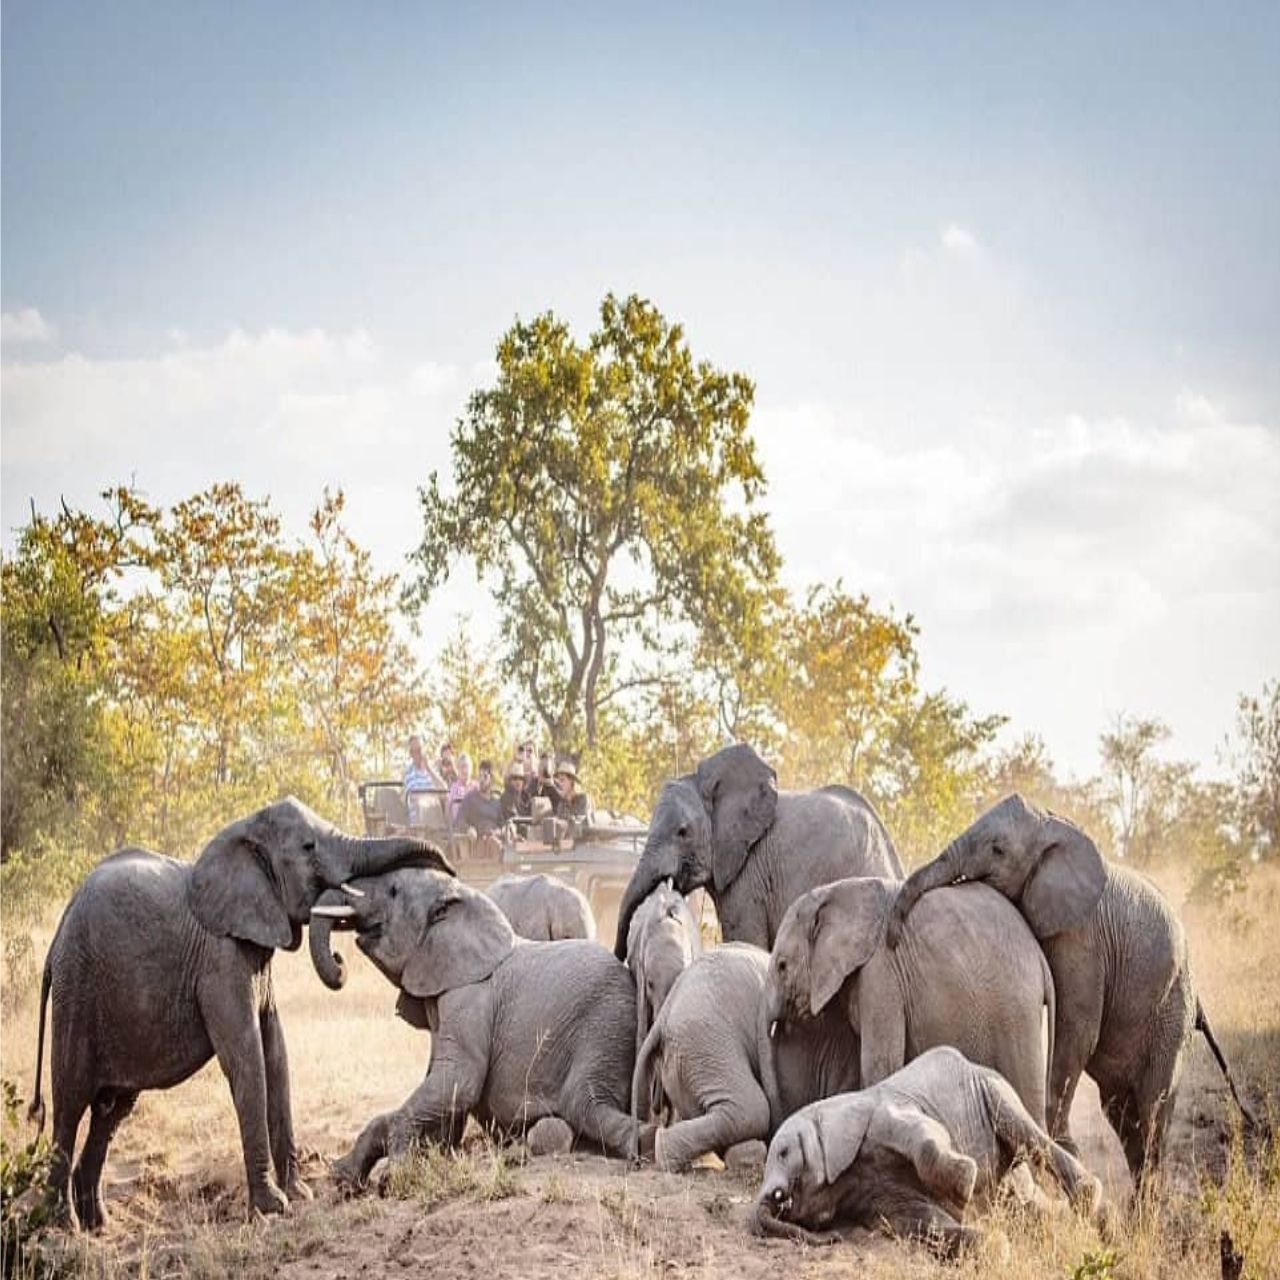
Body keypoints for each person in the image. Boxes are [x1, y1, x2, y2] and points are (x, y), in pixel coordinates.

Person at [448, 751, 476, 823]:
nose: (464, 770)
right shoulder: (454, 788)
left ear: (471, 769)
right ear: (458, 769)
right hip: (458, 827)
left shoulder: (477, 787)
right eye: (462, 767)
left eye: (466, 767)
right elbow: (448, 811)